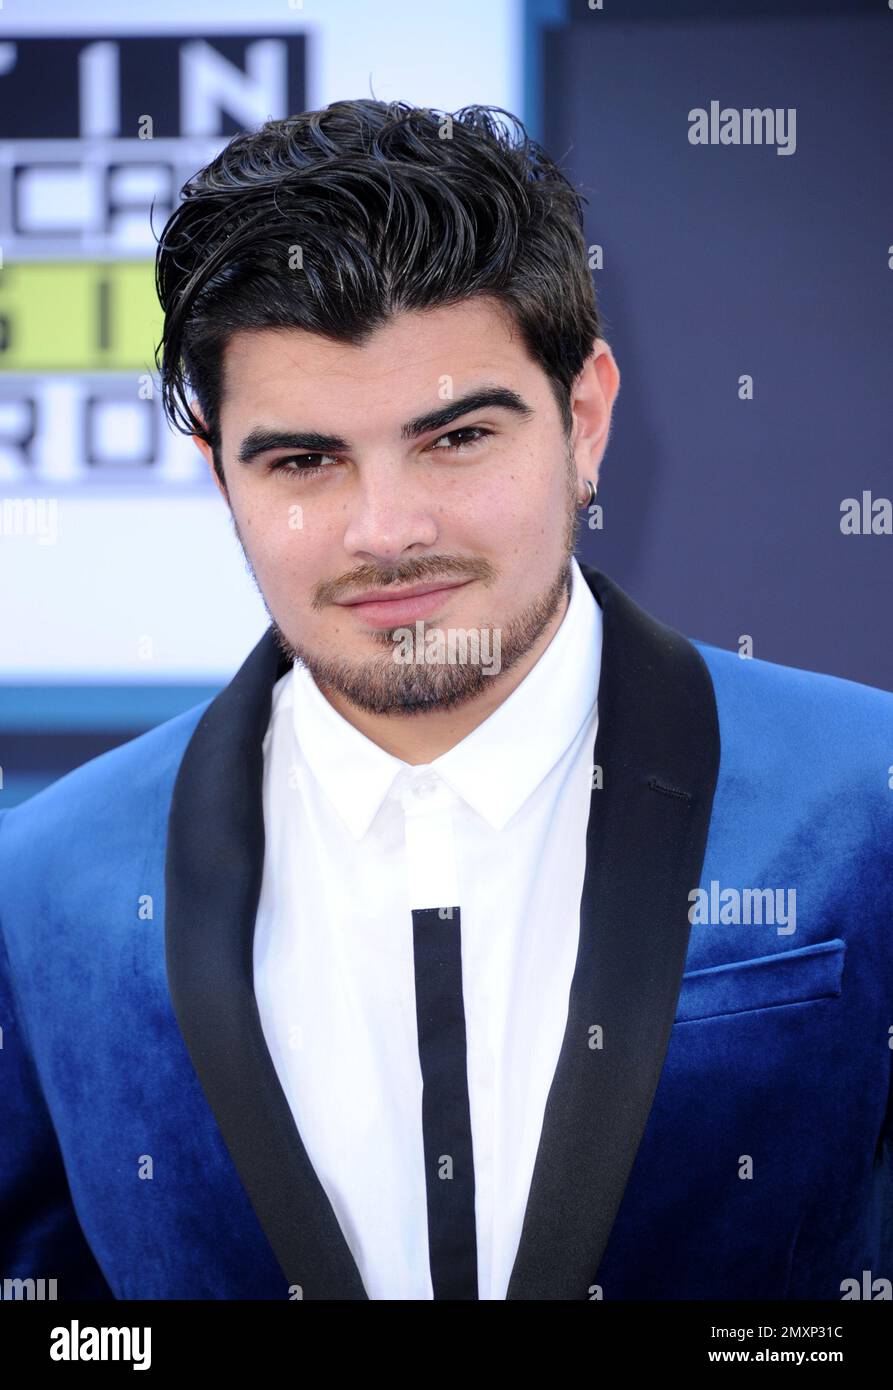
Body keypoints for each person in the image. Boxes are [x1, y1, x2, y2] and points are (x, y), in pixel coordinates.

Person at [1, 100, 891, 1302]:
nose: (388, 532)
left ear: (582, 419)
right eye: (305, 460)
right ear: (219, 471)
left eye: (457, 436)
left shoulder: (866, 799)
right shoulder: (45, 884)